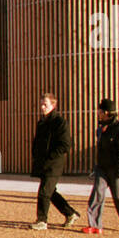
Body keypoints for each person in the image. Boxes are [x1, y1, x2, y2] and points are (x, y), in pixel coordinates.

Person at [83, 98, 119, 234]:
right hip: (102, 168)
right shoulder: (102, 128)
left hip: (116, 169)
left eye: (100, 111)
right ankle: (95, 225)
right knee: (97, 193)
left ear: (107, 112)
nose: (98, 113)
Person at [29, 92, 79, 230]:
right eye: (41, 104)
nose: (42, 107)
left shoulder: (60, 122)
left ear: (53, 105)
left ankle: (42, 221)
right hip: (43, 162)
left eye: (45, 104)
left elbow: (65, 144)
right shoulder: (42, 122)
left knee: (44, 192)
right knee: (50, 192)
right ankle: (70, 213)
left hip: (53, 163)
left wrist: (50, 156)